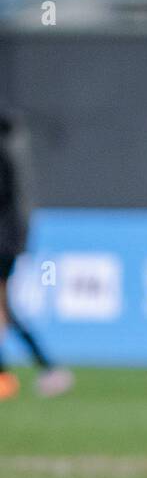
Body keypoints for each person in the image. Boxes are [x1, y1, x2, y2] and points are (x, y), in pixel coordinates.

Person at [0, 111, 74, 401]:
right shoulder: (13, 148)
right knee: (6, 309)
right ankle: (43, 368)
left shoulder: (4, 154)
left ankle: (38, 369)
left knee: (5, 308)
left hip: (3, 241)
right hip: (10, 240)